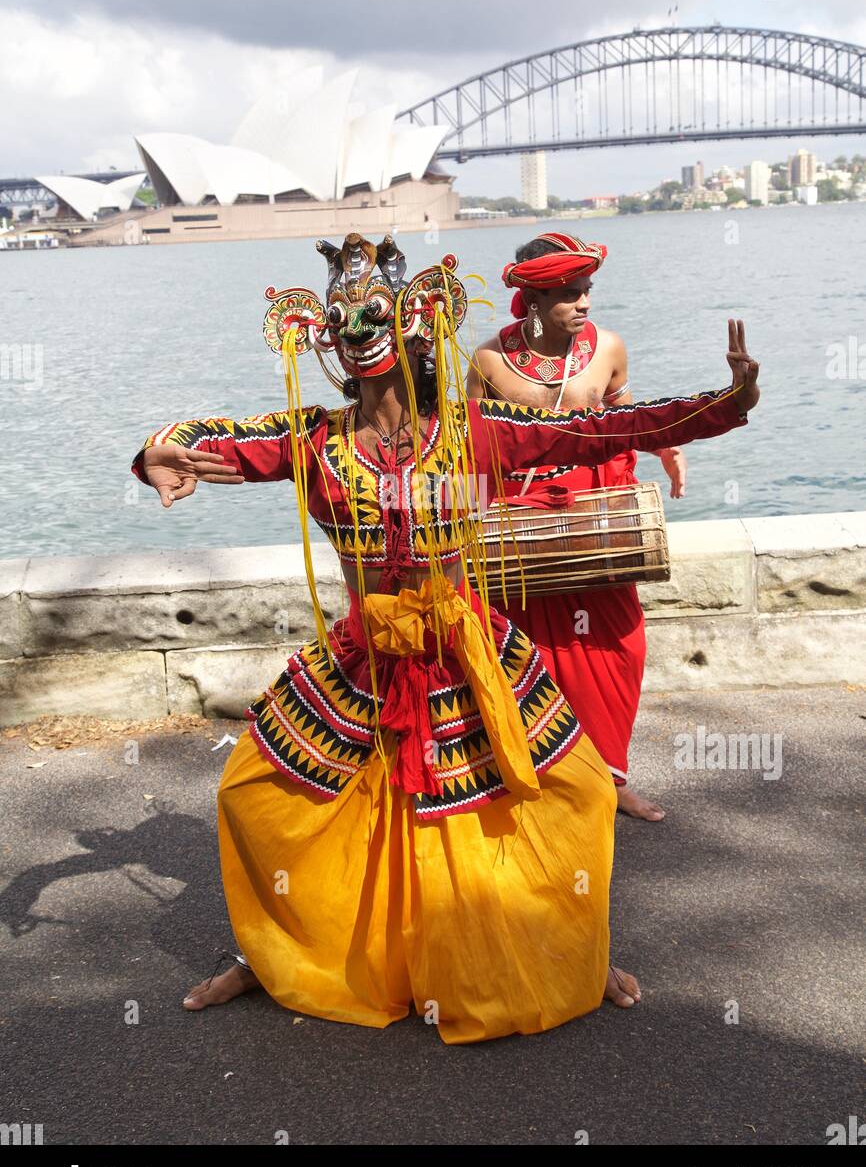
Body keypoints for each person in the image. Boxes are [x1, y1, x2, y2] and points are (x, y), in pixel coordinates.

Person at [130, 232, 759, 1044]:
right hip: (364, 661)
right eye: (342, 320)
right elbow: (204, 440)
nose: (357, 333)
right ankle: (279, 951)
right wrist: (154, 459)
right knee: (257, 796)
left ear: (417, 327)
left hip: (467, 655)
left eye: (374, 315)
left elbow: (609, 430)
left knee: (572, 795)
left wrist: (729, 402)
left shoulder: (477, 433)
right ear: (324, 340)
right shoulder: (314, 441)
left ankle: (572, 951)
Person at [467, 232, 683, 821]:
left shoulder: (609, 347)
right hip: (523, 529)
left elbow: (624, 410)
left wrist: (666, 448)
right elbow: (467, 447)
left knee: (619, 647)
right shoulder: (488, 361)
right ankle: (536, 779)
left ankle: (610, 780)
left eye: (586, 289)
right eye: (568, 292)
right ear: (533, 300)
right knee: (529, 652)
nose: (584, 302)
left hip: (598, 524)